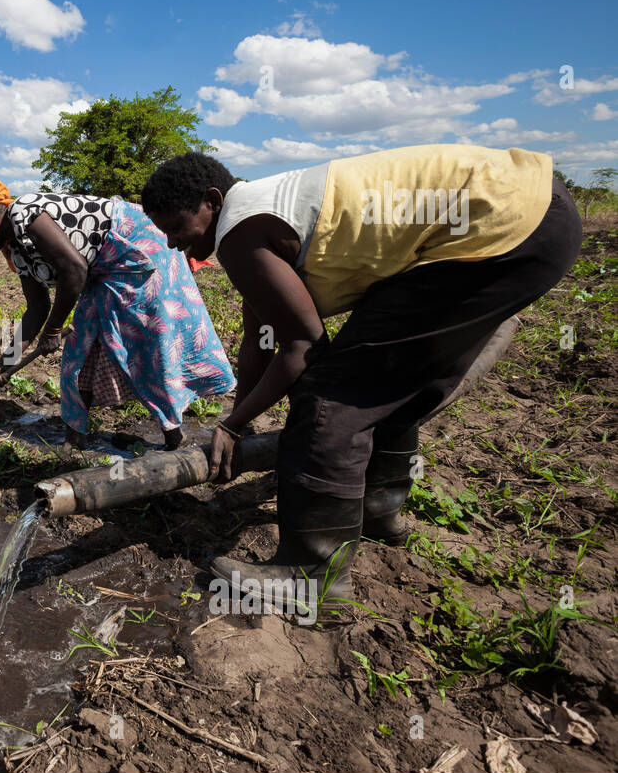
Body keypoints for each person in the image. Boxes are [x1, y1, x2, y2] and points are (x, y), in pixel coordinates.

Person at [140, 145, 582, 603]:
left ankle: (312, 575)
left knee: (331, 394)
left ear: (212, 201)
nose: (173, 242)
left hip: (501, 224)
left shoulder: (238, 232)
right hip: (536, 213)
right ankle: (377, 512)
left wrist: (231, 426)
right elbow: (260, 339)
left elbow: (304, 348)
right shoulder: (256, 213)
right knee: (388, 382)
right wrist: (240, 418)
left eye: (175, 227)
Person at [0, 178, 235, 450]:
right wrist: (4, 364)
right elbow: (36, 309)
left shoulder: (24, 212)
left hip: (136, 248)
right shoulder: (16, 250)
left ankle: (173, 433)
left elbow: (74, 269)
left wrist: (53, 330)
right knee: (80, 349)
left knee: (142, 344)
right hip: (101, 270)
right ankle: (74, 437)